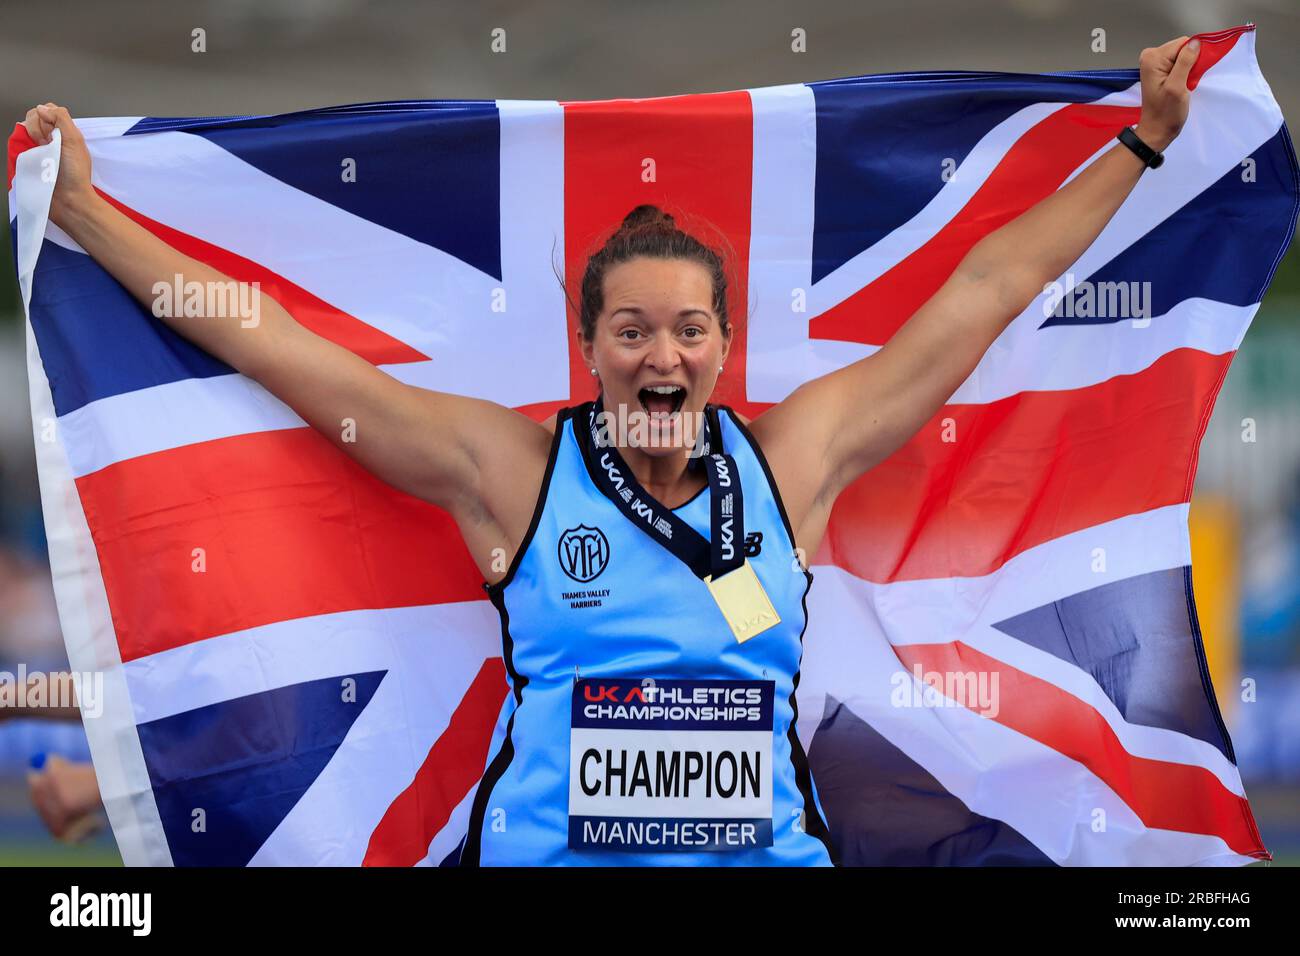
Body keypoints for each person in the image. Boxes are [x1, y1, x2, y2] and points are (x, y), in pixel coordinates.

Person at [20, 34, 1198, 866]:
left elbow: (989, 286)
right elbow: (281, 350)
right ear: (591, 348)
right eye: (630, 330)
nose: (659, 354)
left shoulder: (794, 466)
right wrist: (81, 211)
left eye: (688, 328)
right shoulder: (515, 476)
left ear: (724, 350)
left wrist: (1141, 143)